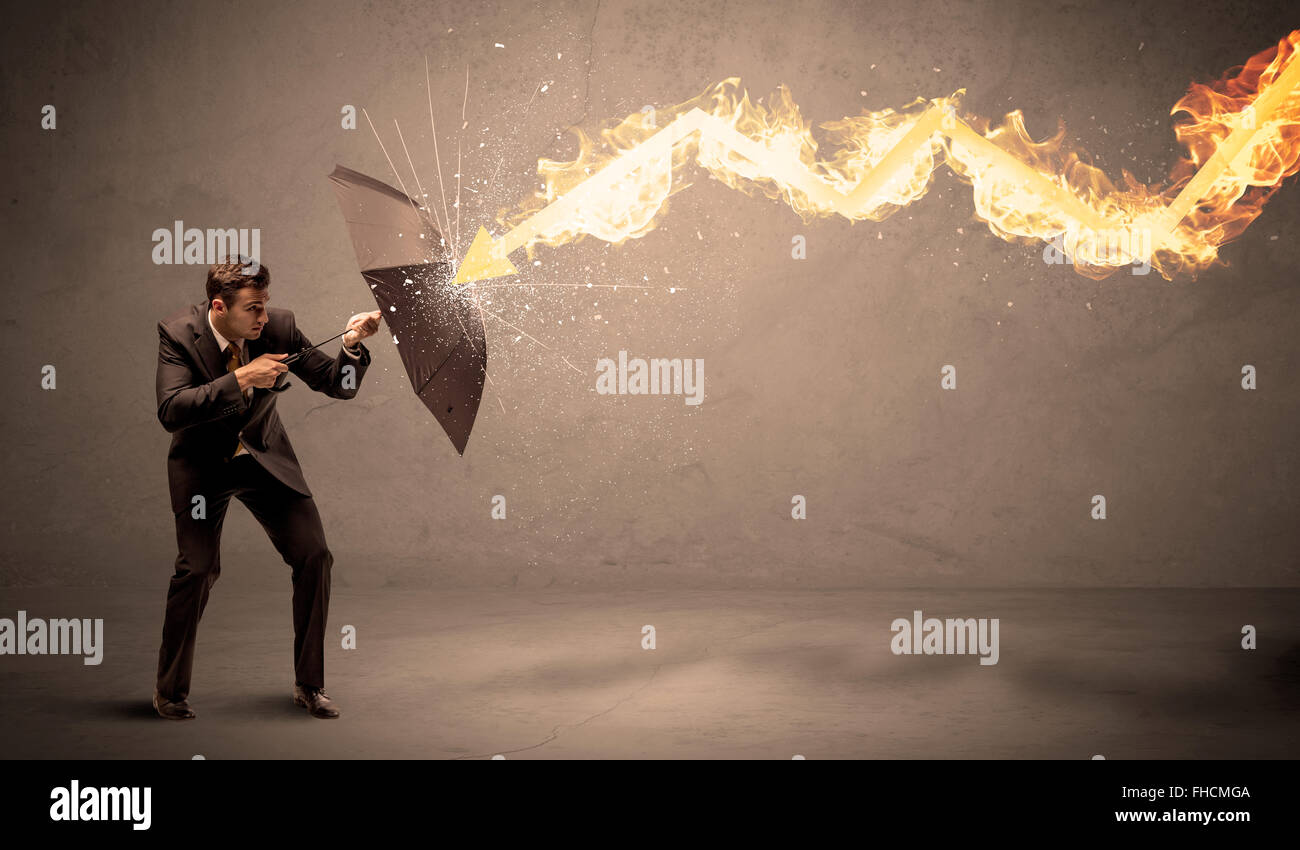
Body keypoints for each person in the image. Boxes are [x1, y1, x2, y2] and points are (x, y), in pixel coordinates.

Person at [152, 257, 381, 719]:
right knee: (196, 571)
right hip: (202, 469)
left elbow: (340, 386)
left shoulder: (279, 328)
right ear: (219, 307)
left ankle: (309, 686)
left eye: (266, 306)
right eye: (253, 309)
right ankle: (170, 692)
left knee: (315, 556)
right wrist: (240, 378)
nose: (263, 318)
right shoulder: (178, 334)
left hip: (262, 459)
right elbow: (171, 410)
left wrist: (353, 348)